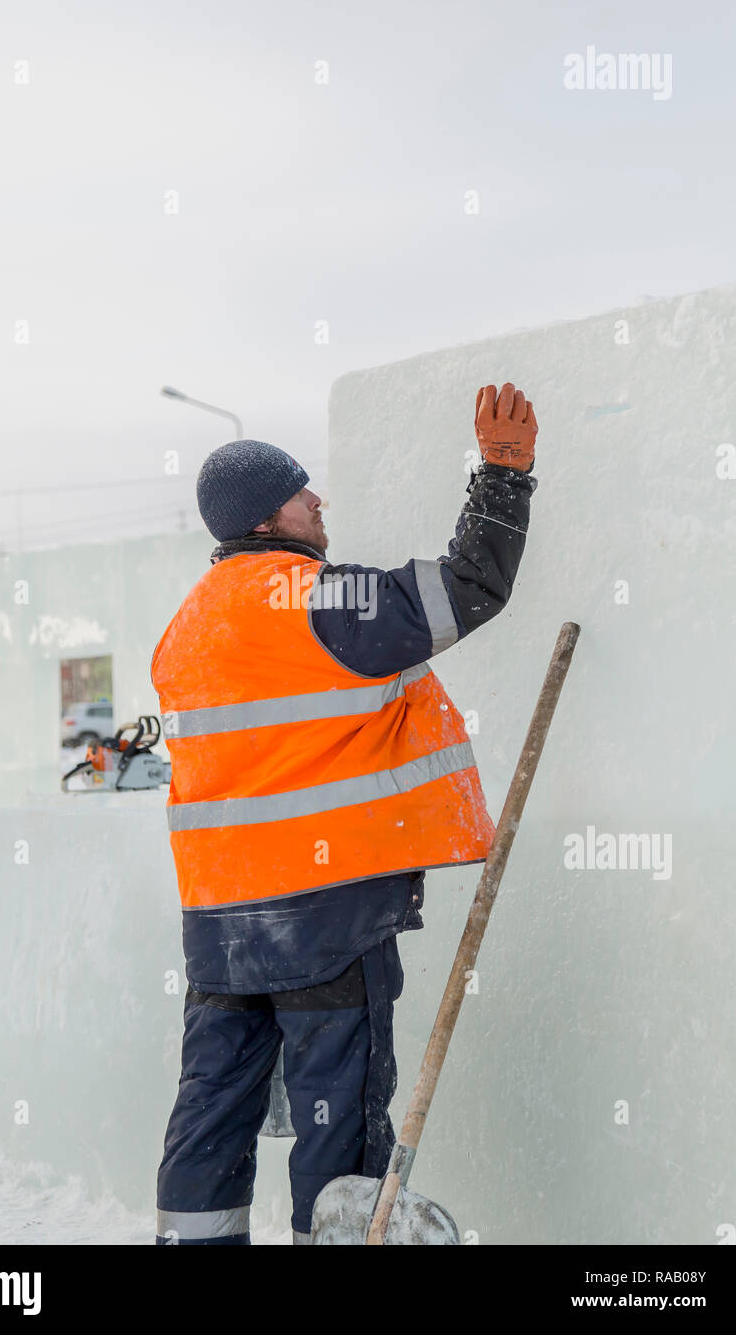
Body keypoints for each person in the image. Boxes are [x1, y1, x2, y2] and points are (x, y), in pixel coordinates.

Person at [151, 382, 538, 1244]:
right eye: (299, 491)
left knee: (211, 1112)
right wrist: (503, 475)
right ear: (265, 519)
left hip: (221, 929)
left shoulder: (189, 626)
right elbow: (469, 586)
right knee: (336, 1126)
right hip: (324, 918)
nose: (318, 499)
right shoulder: (315, 602)